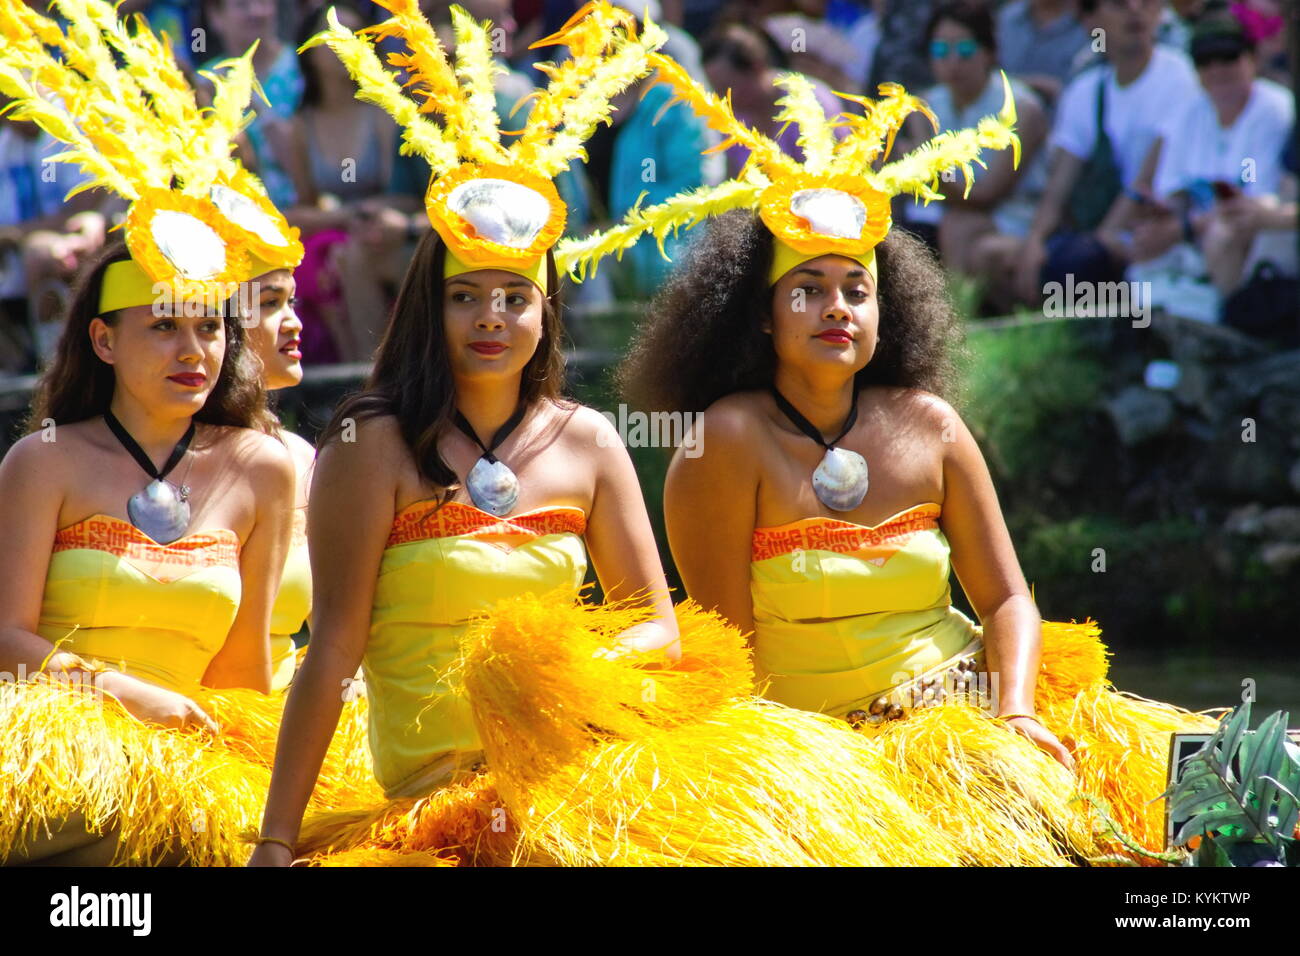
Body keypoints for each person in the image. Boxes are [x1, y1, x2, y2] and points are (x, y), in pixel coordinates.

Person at [251, 1, 966, 869]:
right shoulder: (371, 446)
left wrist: (569, 666)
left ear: (545, 313)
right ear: (427, 309)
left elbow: (662, 629)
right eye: (467, 295)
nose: (492, 318)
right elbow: (332, 648)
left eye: (515, 299)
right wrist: (277, 841)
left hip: (576, 780)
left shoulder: (588, 441)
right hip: (438, 804)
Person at [561, 60, 1222, 864]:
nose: (836, 306)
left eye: (855, 289)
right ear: (762, 317)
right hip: (823, 753)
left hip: (969, 708)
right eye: (807, 288)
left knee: (1200, 806)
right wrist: (805, 776)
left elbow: (1008, 597)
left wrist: (1015, 714)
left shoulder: (930, 425)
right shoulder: (726, 441)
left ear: (886, 308)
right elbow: (728, 649)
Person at [0, 0, 368, 864]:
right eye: (162, 326)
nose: (191, 349)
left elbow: (244, 674)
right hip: (54, 764)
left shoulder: (265, 469)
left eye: (207, 327)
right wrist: (126, 695)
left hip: (197, 768)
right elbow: (6, 640)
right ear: (103, 338)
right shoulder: (42, 460)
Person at [1015, 0, 1200, 306]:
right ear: (1090, 21)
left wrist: (1099, 243)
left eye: (1144, 3)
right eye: (1118, 5)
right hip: (1104, 234)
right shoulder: (1085, 89)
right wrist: (1035, 241)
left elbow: (1144, 182)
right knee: (1021, 260)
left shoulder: (1180, 76)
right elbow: (1059, 184)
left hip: (1161, 231)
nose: (1134, 11)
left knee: (1073, 266)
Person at [896, 2, 1049, 304]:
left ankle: (957, 326)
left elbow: (985, 195)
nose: (953, 62)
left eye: (964, 50)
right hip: (936, 217)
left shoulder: (1021, 108)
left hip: (1014, 218)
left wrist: (923, 168)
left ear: (989, 53)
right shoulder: (923, 106)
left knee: (959, 227)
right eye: (940, 51)